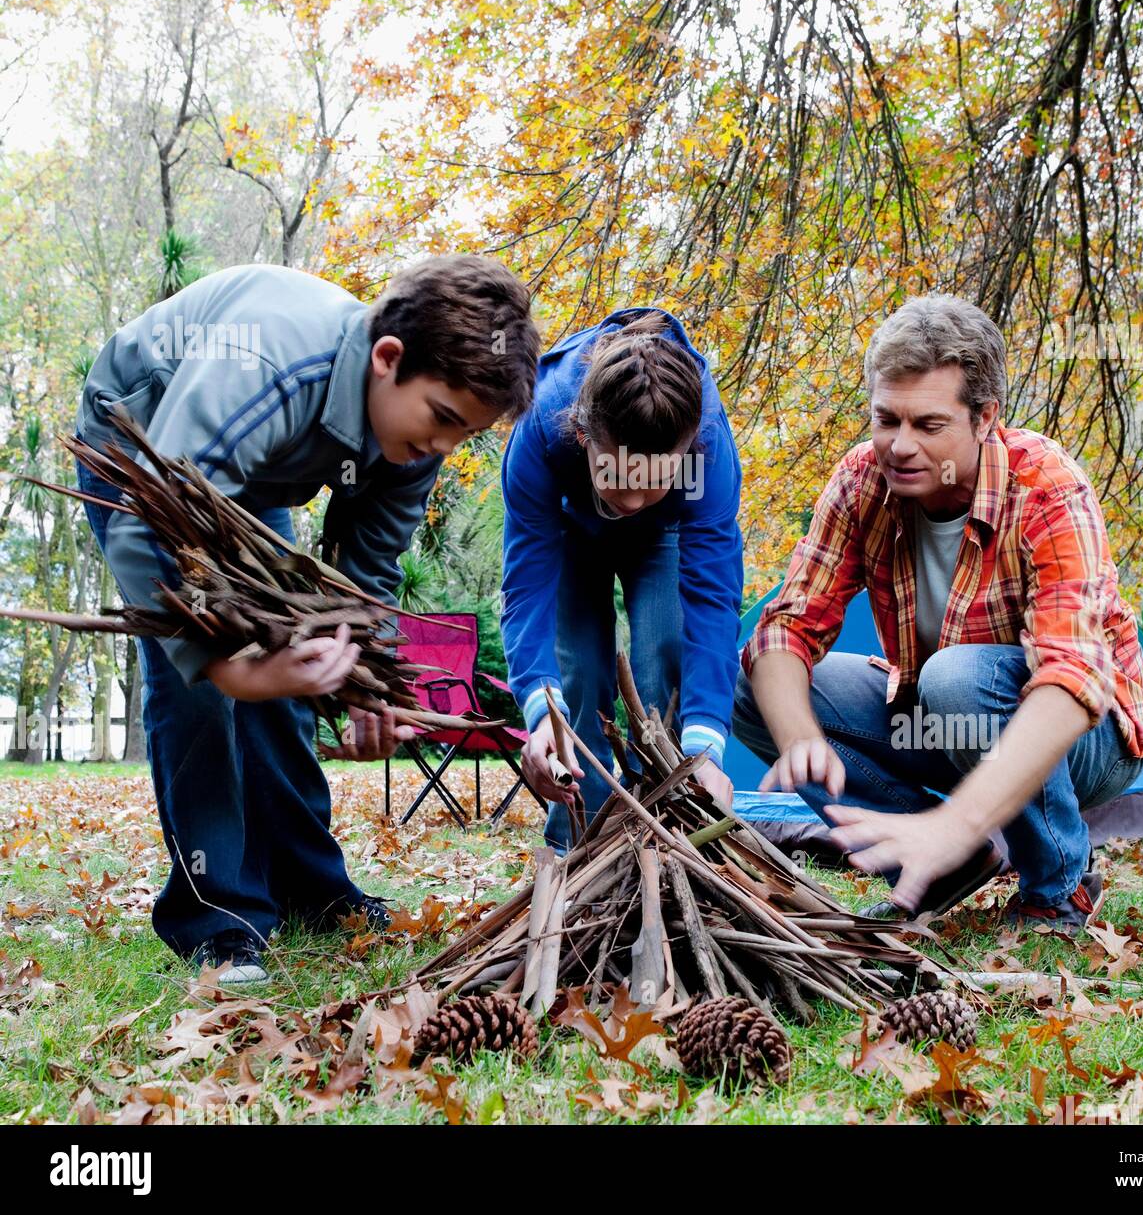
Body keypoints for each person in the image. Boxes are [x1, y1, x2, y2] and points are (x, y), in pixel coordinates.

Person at [75, 256, 540, 981]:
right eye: (442, 420)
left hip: (249, 471)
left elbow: (367, 569)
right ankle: (218, 920)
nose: (443, 449)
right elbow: (148, 532)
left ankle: (310, 890)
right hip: (142, 454)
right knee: (196, 688)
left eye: (464, 434)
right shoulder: (270, 367)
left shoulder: (413, 435)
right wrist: (230, 667)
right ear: (388, 359)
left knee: (295, 665)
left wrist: (363, 682)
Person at [733, 294, 1143, 931]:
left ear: (985, 417)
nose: (899, 447)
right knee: (756, 688)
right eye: (886, 420)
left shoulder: (1045, 486)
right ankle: (939, 861)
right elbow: (785, 627)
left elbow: (1072, 682)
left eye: (928, 426)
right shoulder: (861, 481)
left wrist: (955, 819)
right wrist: (798, 741)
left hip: (1090, 739)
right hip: (945, 720)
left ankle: (1057, 888)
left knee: (957, 679)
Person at [500, 308, 743, 851]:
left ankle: (671, 835)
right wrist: (541, 712)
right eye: (620, 475)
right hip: (569, 533)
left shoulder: (708, 446)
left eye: (653, 482)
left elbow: (712, 598)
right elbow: (527, 588)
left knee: (665, 654)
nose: (632, 501)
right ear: (583, 432)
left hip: (665, 539)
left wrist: (706, 745)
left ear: (686, 451)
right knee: (578, 674)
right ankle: (576, 842)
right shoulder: (543, 421)